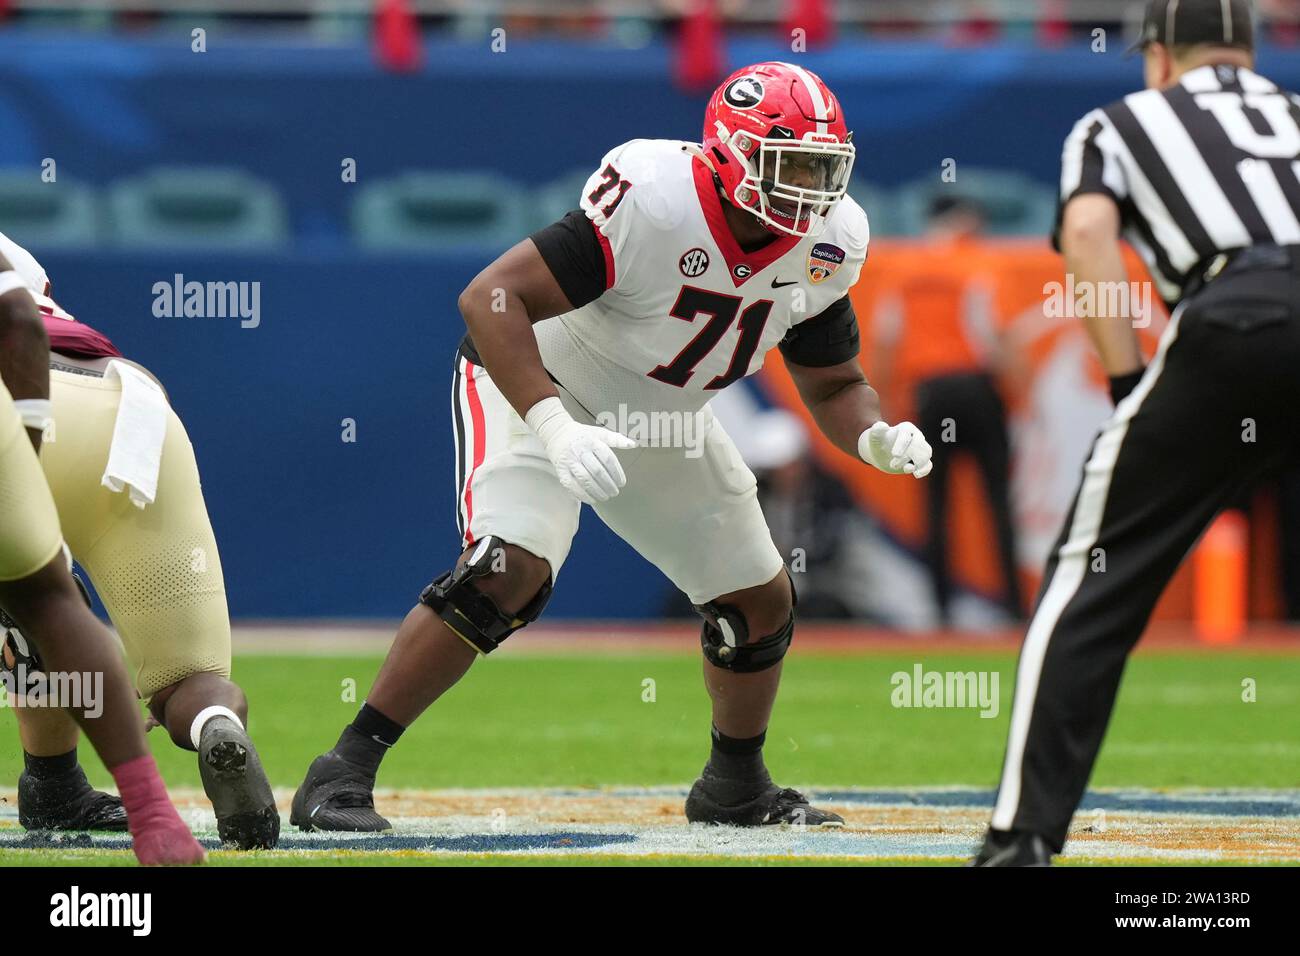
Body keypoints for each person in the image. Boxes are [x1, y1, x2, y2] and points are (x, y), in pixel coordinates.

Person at [294, 61, 933, 831]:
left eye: (821, 166)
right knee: (508, 570)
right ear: (731, 153)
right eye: (790, 163)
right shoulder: (657, 199)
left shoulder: (831, 242)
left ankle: (734, 785)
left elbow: (832, 383)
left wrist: (874, 433)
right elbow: (493, 297)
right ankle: (343, 769)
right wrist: (555, 424)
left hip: (665, 416)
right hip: (539, 381)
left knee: (758, 602)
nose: (809, 186)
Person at [974, 0, 1300, 865]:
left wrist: (1125, 379)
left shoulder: (1117, 121)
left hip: (1233, 319)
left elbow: (1087, 235)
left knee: (1090, 587)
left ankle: (1023, 839)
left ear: (1158, 55)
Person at [0, 233, 277, 850]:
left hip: (18, 401)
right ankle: (211, 723)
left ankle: (53, 779)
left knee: (29, 602)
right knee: (184, 674)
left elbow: (15, 326)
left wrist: (32, 448)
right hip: (129, 406)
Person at [873, 196, 1023, 624]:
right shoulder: (979, 263)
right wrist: (1019, 395)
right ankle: (1013, 606)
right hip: (976, 388)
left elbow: (887, 340)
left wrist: (887, 402)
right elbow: (995, 334)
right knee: (998, 501)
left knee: (935, 505)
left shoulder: (904, 269)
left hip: (931, 394)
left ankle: (940, 610)